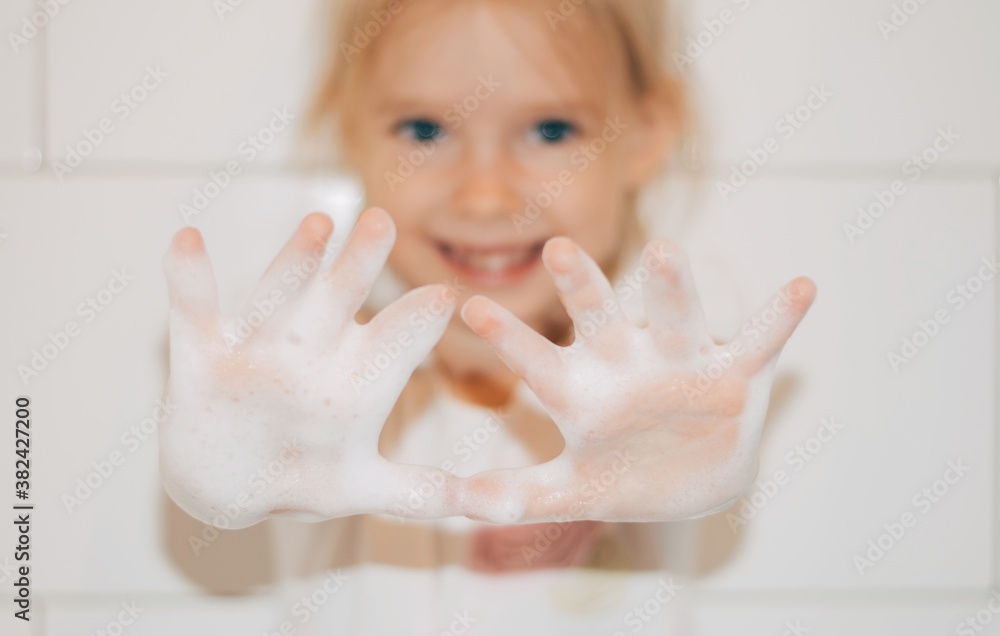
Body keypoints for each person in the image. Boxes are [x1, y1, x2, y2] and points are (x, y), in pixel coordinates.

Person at [160, 0, 817, 632]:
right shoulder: (307, 375)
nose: (483, 194)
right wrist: (220, 487)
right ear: (350, 128)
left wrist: (700, 440)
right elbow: (237, 482)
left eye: (551, 130)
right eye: (424, 129)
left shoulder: (667, 376)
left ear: (644, 135)